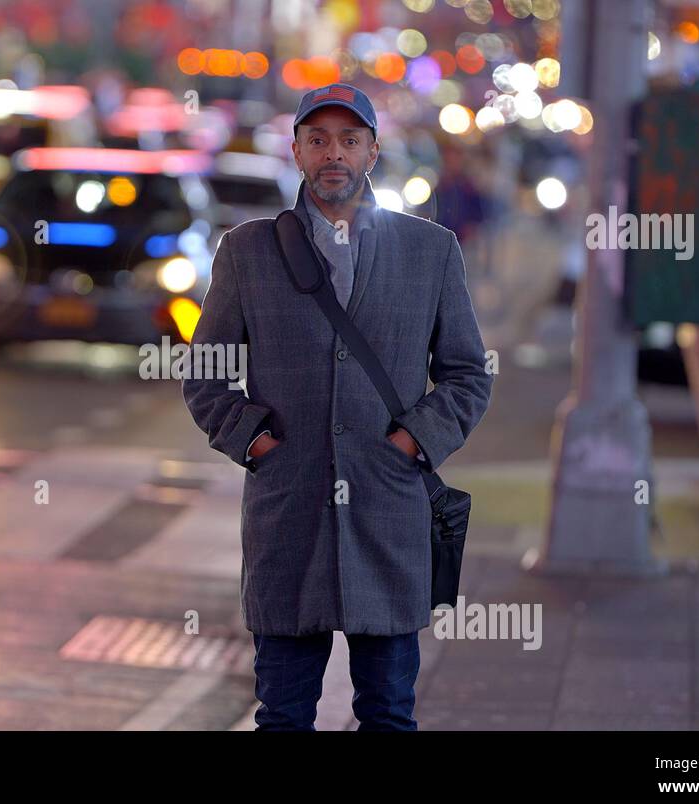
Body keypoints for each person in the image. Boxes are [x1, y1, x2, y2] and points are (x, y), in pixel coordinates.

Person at [182, 83, 492, 730]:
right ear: (295, 150)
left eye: (350, 140)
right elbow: (205, 374)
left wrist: (412, 442)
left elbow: (467, 375)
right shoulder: (247, 252)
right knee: (284, 714)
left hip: (389, 520)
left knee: (387, 713)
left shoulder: (430, 252)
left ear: (373, 151)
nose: (334, 154)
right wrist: (256, 441)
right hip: (288, 525)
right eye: (318, 138)